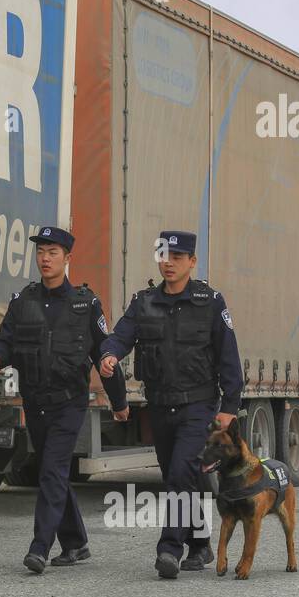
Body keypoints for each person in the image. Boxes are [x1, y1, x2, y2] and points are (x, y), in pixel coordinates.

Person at [0, 226, 129, 575]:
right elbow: (5, 339)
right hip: (35, 401)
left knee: (50, 470)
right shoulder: (24, 301)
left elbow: (103, 354)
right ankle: (76, 543)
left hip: (68, 402)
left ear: (67, 258)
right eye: (40, 252)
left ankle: (39, 547)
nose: (45, 259)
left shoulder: (84, 303)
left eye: (52, 252)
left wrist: (119, 401)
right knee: (56, 473)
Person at [99, 230, 243, 579]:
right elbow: (121, 335)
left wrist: (229, 407)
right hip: (160, 406)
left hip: (199, 406)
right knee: (180, 475)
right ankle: (200, 543)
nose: (169, 263)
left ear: (192, 262)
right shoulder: (144, 301)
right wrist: (110, 355)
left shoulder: (210, 302)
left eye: (177, 257)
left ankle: (169, 549)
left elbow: (228, 358)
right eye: (163, 256)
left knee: (181, 472)